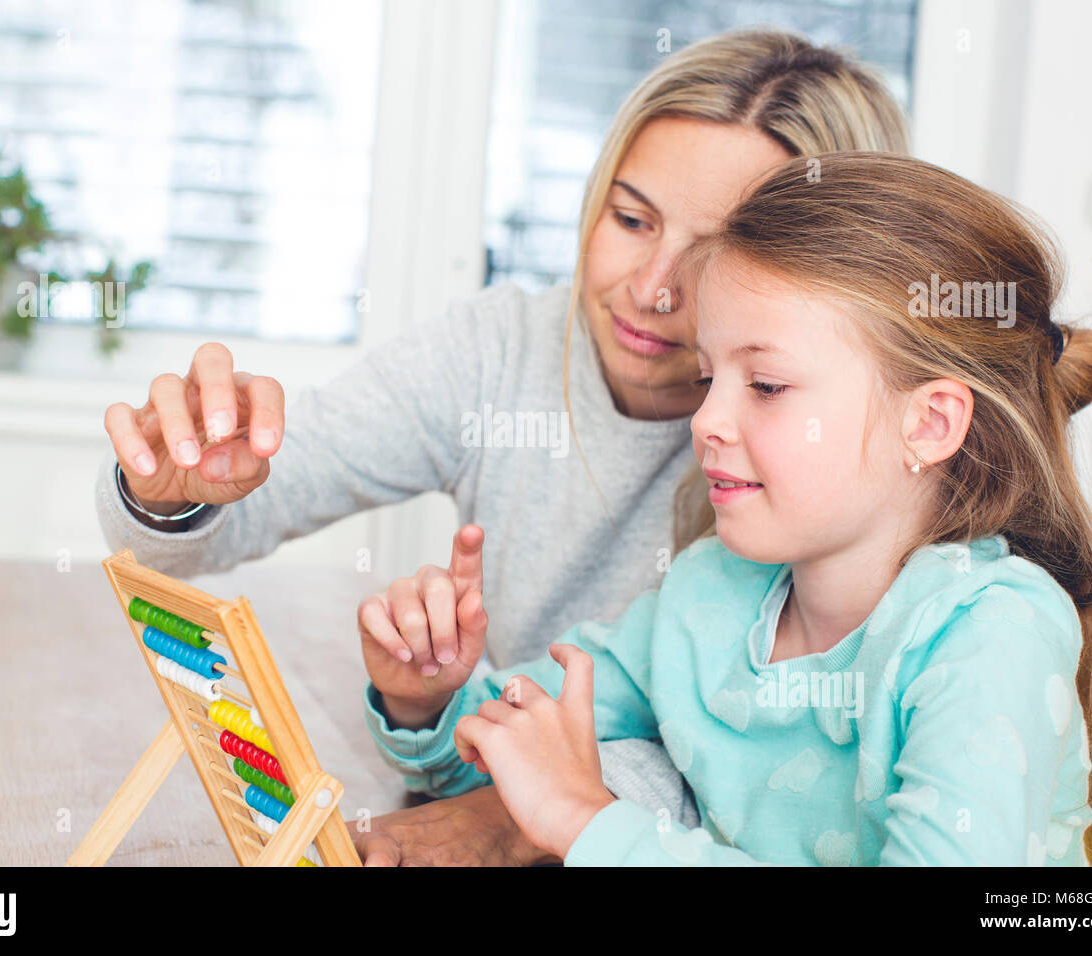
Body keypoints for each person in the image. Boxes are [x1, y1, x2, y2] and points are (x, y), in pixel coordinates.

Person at [98, 30, 909, 865]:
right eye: (631, 219)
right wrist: (173, 485)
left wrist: (525, 813)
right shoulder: (499, 350)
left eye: (717, 255)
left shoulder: (828, 460)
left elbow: (773, 776)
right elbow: (244, 502)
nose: (651, 286)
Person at [361, 152, 1092, 866]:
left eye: (767, 387)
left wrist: (585, 821)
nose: (705, 421)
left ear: (928, 424)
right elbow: (517, 745)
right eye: (709, 376)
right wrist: (428, 691)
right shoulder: (710, 592)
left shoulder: (992, 634)